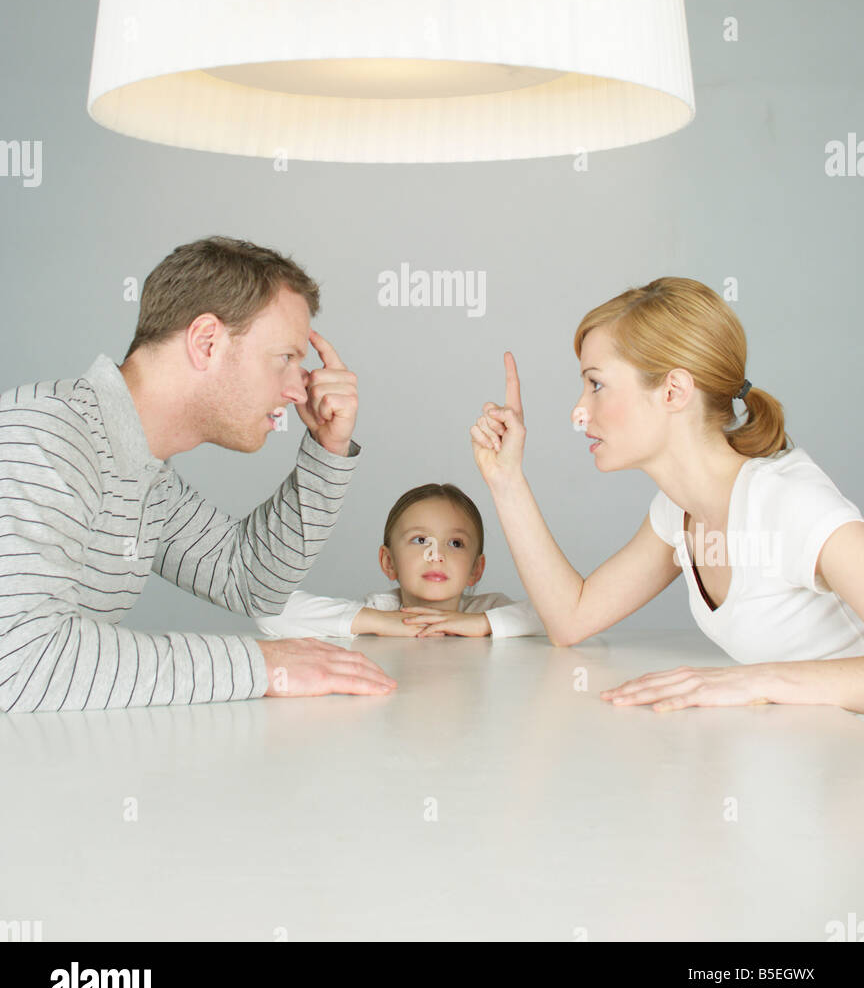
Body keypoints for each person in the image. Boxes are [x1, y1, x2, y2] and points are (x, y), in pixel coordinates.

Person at [0, 236, 396, 712]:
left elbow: (251, 579)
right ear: (206, 342)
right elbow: (18, 661)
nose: (298, 389)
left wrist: (327, 448)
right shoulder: (44, 437)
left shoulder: (141, 470)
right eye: (286, 358)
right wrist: (264, 665)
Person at [469, 276, 864, 713]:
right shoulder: (677, 512)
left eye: (596, 384)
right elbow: (570, 618)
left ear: (674, 391)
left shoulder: (789, 505)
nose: (578, 412)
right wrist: (506, 480)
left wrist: (760, 680)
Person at [254, 482, 545, 640]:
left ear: (475, 569)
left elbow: (561, 617)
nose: (436, 554)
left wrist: (481, 624)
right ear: (389, 561)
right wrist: (379, 622)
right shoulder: (378, 611)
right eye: (421, 540)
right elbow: (267, 611)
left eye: (455, 543)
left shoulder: (487, 610)